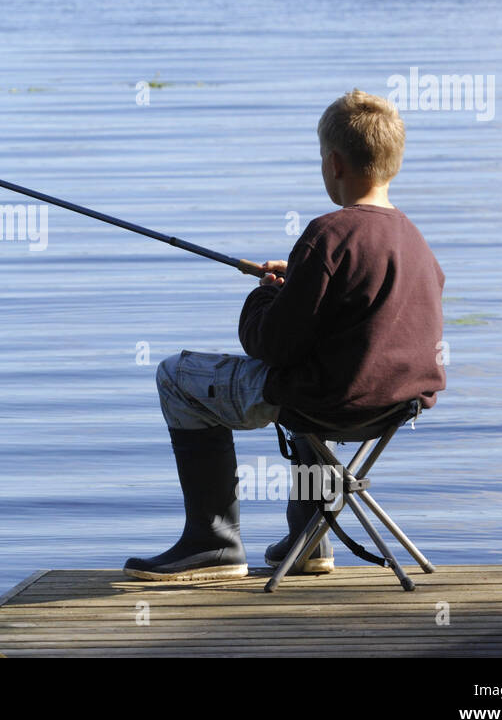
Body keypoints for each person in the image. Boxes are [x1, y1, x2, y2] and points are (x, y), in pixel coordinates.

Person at [124, 89, 446, 580]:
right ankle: (311, 538)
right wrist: (298, 278)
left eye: (322, 158)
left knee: (175, 377)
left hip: (326, 402)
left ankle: (213, 545)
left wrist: (266, 295)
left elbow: (270, 345)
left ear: (334, 163)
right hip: (393, 405)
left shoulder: (328, 234)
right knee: (322, 368)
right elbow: (362, 321)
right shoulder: (416, 240)